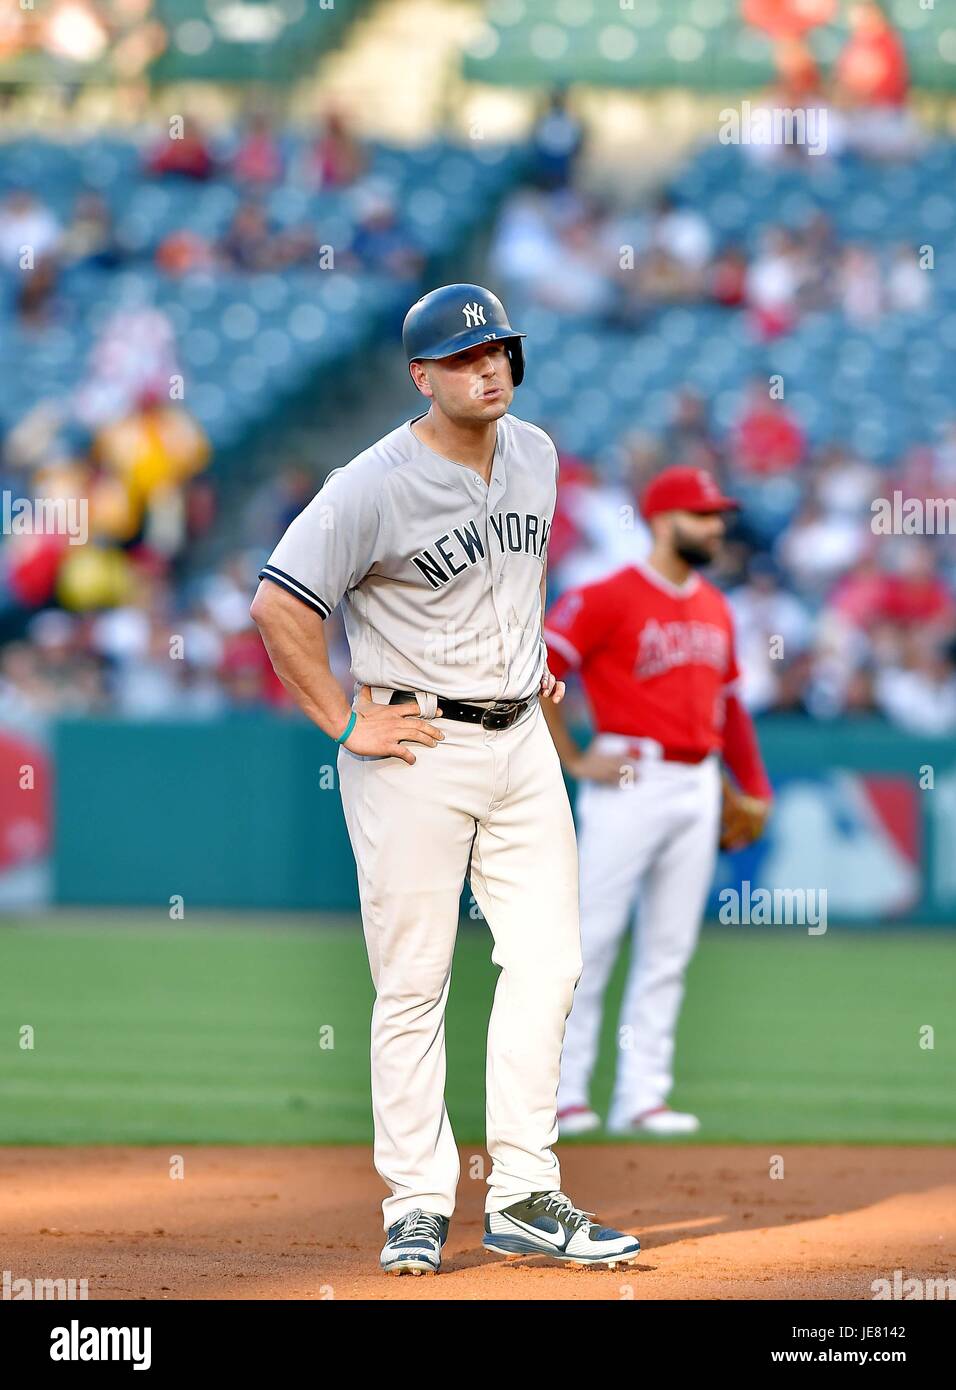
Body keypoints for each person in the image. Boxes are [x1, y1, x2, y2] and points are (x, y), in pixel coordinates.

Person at [251, 284, 641, 1275]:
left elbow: (514, 584)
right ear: (420, 376)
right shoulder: (370, 483)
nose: (487, 367)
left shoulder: (539, 456)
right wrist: (344, 717)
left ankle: (521, 1194)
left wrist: (522, 661)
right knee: (414, 982)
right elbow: (277, 604)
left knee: (549, 961)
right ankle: (417, 1203)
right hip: (414, 744)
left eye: (499, 350)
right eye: (464, 357)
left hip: (518, 745)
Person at [541, 466, 772, 1137]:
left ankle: (643, 1095)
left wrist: (753, 786)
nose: (716, 526)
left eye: (719, 515)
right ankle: (562, 1093)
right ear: (663, 520)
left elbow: (731, 705)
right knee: (592, 939)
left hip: (698, 780)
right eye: (702, 515)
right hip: (629, 774)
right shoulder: (605, 595)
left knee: (668, 949)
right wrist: (575, 756)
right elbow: (542, 672)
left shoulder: (716, 605)